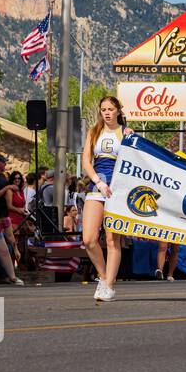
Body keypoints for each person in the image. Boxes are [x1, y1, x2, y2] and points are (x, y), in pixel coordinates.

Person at [81, 96, 126, 302]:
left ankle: (109, 285)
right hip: (98, 185)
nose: (107, 112)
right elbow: (86, 161)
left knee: (111, 239)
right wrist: (98, 181)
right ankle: (103, 276)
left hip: (118, 189)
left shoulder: (126, 133)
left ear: (118, 110)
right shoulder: (94, 131)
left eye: (110, 109)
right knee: (89, 238)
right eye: (103, 109)